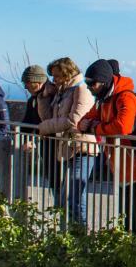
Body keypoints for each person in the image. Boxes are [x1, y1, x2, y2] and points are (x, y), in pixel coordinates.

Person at [78, 58, 136, 240]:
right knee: (127, 220)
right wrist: (95, 125)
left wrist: (95, 127)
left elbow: (123, 127)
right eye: (87, 83)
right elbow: (81, 123)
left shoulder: (125, 98)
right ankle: (130, 259)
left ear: (105, 82)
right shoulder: (103, 100)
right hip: (124, 169)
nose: (90, 87)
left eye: (93, 83)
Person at [35, 57, 95, 225]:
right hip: (69, 149)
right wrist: (44, 97)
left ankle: (79, 237)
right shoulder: (63, 92)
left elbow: (73, 121)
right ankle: (72, 236)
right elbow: (48, 117)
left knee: (72, 196)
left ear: (66, 73)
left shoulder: (81, 89)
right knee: (70, 197)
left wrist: (44, 128)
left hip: (83, 148)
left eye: (57, 76)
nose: (54, 80)